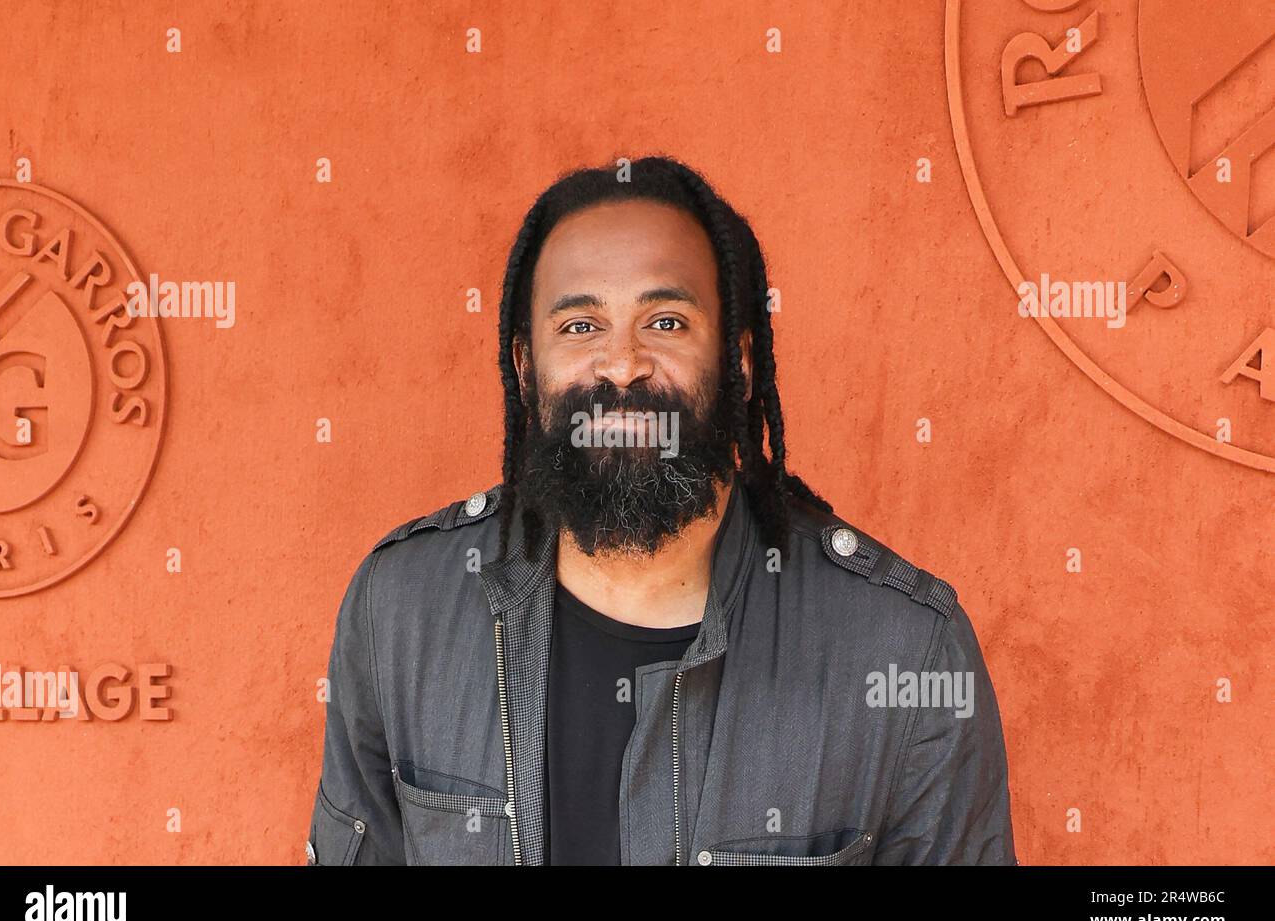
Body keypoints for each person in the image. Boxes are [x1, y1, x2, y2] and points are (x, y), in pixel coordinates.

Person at [306, 155, 1017, 865]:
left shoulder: (906, 651)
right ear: (525, 370)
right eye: (581, 326)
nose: (622, 364)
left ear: (739, 363)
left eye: (666, 320)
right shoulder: (399, 612)